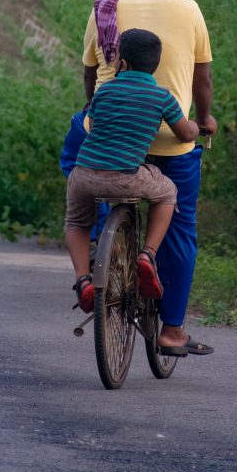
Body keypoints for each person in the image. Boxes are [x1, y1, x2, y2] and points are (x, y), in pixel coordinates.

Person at [61, 0, 217, 357]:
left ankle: (99, 244)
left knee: (73, 160)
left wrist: (95, 113)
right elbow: (202, 80)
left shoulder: (106, 7)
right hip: (169, 141)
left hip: (104, 134)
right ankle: (171, 330)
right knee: (182, 227)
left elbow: (90, 76)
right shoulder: (189, 9)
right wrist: (204, 120)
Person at [65, 28, 199, 314]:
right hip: (127, 177)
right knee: (168, 193)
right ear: (155, 65)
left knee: (76, 223)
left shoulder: (104, 91)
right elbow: (186, 133)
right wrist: (200, 126)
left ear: (121, 63)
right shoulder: (162, 97)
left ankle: (82, 280)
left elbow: (95, 121)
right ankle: (147, 255)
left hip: (85, 175)